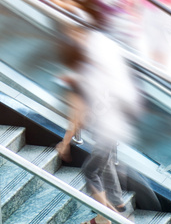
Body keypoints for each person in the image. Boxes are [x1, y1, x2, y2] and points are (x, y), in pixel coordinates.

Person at [56, 30, 138, 224]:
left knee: (90, 172)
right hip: (117, 127)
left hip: (105, 132)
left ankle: (106, 218)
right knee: (106, 164)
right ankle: (117, 208)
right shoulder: (95, 69)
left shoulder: (78, 81)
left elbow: (78, 117)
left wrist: (65, 143)